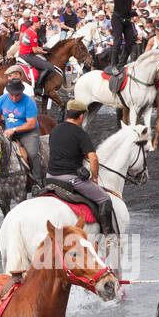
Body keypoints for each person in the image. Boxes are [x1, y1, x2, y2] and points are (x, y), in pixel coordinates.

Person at [45, 99, 116, 236]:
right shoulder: (80, 133)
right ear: (81, 116)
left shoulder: (55, 129)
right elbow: (93, 158)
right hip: (70, 180)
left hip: (50, 177)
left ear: (67, 113)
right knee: (104, 199)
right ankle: (109, 237)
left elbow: (61, 149)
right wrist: (95, 177)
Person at [100, 0, 149, 75]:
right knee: (117, 41)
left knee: (131, 41)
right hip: (117, 19)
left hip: (127, 19)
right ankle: (113, 65)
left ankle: (121, 64)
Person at [0, 78, 42, 186]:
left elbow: (32, 123)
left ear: (22, 92)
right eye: (12, 95)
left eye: (17, 95)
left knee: (33, 154)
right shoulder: (2, 99)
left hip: (28, 132)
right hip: (8, 131)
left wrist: (14, 129)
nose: (14, 98)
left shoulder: (29, 102)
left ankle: (38, 183)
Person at [17, 14, 54, 92]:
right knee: (49, 66)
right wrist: (45, 53)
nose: (40, 24)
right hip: (27, 55)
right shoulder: (33, 33)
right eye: (39, 23)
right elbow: (35, 50)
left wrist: (45, 49)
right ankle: (38, 87)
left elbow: (36, 47)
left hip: (24, 53)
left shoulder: (30, 30)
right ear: (35, 23)